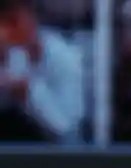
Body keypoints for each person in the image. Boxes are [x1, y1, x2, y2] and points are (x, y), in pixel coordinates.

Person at [0, 0, 84, 144]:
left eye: (13, 22)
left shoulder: (64, 57)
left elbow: (66, 128)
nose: (7, 32)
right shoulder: (11, 55)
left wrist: (29, 92)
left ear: (32, 19)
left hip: (59, 154)